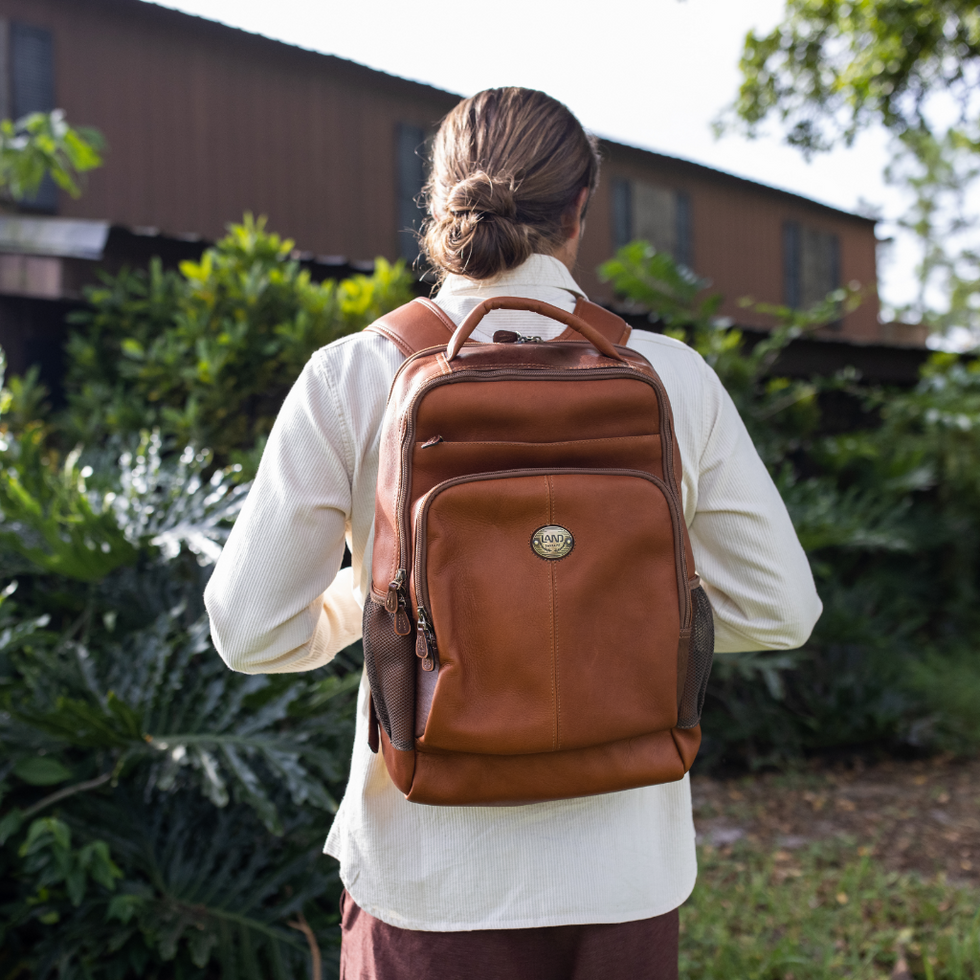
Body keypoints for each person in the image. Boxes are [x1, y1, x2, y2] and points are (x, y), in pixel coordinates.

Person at [205, 87, 822, 980]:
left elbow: (251, 630)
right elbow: (781, 610)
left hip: (425, 879)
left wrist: (374, 603)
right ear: (580, 209)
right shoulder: (671, 378)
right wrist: (622, 607)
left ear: (440, 200)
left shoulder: (355, 374)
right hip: (626, 882)